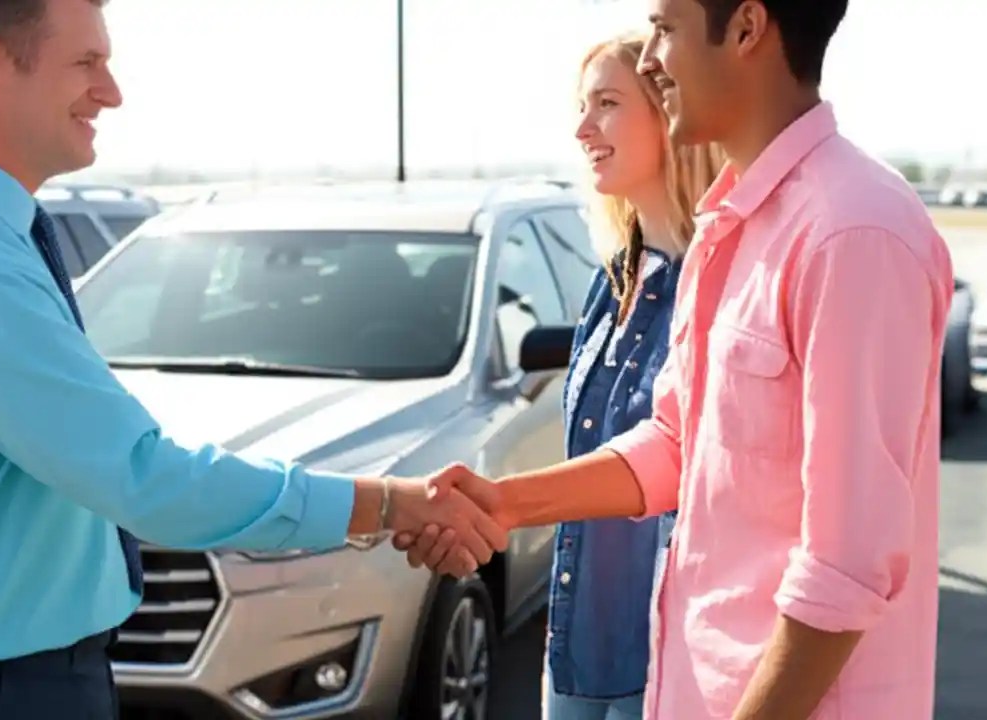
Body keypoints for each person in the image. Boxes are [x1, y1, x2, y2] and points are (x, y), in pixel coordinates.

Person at [0, 1, 505, 718]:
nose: (110, 91)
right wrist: (386, 504)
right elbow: (147, 479)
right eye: (86, 63)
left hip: (11, 682)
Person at [402, 0, 953, 718]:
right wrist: (505, 503)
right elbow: (679, 442)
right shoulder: (732, 227)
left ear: (748, 28)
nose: (653, 56)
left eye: (665, 28)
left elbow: (846, 566)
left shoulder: (854, 232)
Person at [400, 32, 722, 720]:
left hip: (671, 656)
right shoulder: (612, 283)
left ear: (670, 111)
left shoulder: (720, 285)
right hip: (578, 647)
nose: (582, 129)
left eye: (607, 103)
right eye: (582, 106)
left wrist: (501, 502)